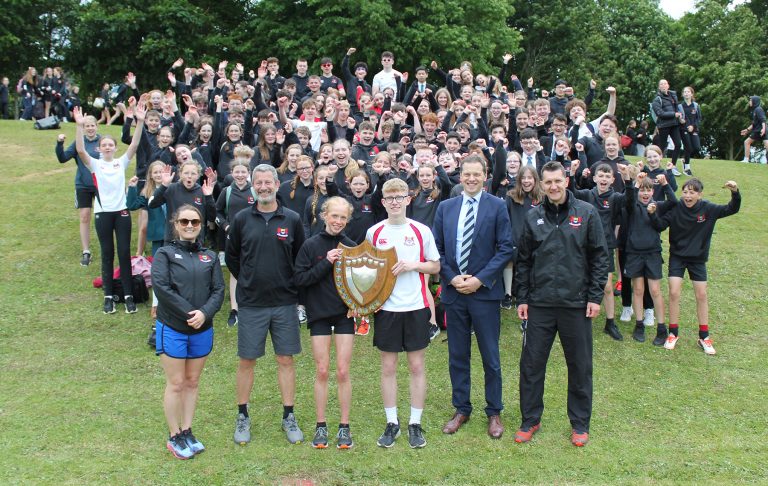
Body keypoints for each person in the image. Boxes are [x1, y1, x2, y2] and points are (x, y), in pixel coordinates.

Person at [515, 161, 609, 448]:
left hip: (576, 305)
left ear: (566, 181)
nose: (553, 186)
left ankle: (580, 424)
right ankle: (530, 420)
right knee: (531, 366)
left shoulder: (587, 213)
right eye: (548, 182)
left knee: (579, 366)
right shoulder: (533, 217)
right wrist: (522, 297)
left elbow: (600, 258)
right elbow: (523, 261)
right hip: (540, 304)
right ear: (542, 184)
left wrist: (594, 296)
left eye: (558, 181)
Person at [432, 155, 515, 440]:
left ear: (485, 176)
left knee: (490, 356)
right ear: (460, 176)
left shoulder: (498, 206)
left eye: (476, 174)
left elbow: (505, 248)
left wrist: (480, 279)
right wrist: (452, 277)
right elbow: (437, 249)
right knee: (458, 354)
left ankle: (494, 411)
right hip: (455, 293)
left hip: (485, 294)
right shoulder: (446, 207)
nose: (471, 179)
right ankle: (461, 408)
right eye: (466, 174)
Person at [226, 164, 306, 446]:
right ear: (252, 185)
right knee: (247, 360)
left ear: (276, 184)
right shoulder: (241, 220)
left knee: (285, 359)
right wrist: (248, 281)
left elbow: (300, 260)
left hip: (284, 302)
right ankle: (243, 415)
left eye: (267, 182)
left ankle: (288, 416)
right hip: (251, 304)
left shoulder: (293, 219)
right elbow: (232, 257)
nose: (263, 186)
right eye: (258, 182)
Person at [366, 178, 440, 449]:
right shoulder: (374, 232)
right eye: (390, 198)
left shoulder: (421, 231)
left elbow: (434, 266)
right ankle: (392, 422)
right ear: (383, 202)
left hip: (416, 307)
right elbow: (367, 270)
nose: (395, 202)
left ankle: (415, 423)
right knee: (388, 367)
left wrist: (413, 265)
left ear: (408, 200)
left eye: (400, 197)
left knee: (416, 366)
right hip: (386, 309)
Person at [152, 204, 225, 459]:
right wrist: (189, 313)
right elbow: (162, 288)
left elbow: (218, 290)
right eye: (184, 222)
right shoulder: (165, 253)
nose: (190, 226)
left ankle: (187, 430)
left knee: (192, 382)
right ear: (176, 224)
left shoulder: (210, 256)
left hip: (202, 329)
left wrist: (204, 313)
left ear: (201, 225)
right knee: (176, 383)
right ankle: (174, 436)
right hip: (173, 327)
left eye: (194, 222)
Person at [649, 178, 741, 355]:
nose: (688, 195)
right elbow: (660, 226)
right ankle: (673, 334)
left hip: (698, 259)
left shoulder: (708, 209)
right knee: (674, 292)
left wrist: (735, 192)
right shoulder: (676, 208)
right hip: (677, 257)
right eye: (685, 192)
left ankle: (704, 337)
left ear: (699, 194)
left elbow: (732, 208)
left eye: (692, 192)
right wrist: (653, 214)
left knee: (701, 294)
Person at [293, 197, 357, 449]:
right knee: (322, 370)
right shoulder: (311, 245)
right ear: (324, 216)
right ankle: (321, 426)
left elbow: (360, 282)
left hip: (344, 315)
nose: (338, 221)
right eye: (334, 216)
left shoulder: (352, 247)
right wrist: (326, 262)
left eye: (343, 217)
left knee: (342, 370)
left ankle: (344, 427)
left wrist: (358, 304)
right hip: (318, 313)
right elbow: (300, 279)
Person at [73, 104, 145, 314]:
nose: (106, 147)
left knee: (124, 253)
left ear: (114, 148)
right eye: (103, 145)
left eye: (110, 145)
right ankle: (108, 297)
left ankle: (129, 296)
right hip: (102, 213)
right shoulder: (95, 164)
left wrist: (139, 121)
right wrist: (79, 126)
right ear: (99, 148)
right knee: (107, 254)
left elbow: (135, 143)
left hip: (121, 212)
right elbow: (79, 150)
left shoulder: (120, 163)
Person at [622, 172, 676, 345]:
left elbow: (674, 202)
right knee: (637, 290)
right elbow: (628, 198)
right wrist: (635, 183)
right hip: (634, 253)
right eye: (643, 190)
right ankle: (639, 324)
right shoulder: (633, 205)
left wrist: (665, 184)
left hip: (652, 253)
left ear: (653, 191)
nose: (645, 193)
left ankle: (661, 328)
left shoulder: (657, 206)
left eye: (649, 190)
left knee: (654, 291)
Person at [56, 116, 101, 265]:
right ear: (83, 127)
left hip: (101, 186)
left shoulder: (102, 142)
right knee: (85, 216)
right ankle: (86, 251)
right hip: (83, 185)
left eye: (92, 125)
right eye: (86, 126)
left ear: (97, 126)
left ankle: (107, 247)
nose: (90, 128)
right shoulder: (78, 142)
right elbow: (62, 158)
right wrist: (59, 143)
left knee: (104, 216)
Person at [651, 79, 684, 175]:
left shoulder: (673, 96)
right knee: (661, 147)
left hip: (674, 124)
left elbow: (676, 109)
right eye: (661, 84)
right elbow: (660, 113)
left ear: (668, 85)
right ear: (659, 87)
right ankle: (656, 167)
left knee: (678, 144)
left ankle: (673, 166)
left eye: (665, 83)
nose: (663, 85)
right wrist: (674, 114)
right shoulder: (657, 100)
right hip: (664, 126)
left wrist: (680, 117)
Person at [740, 96, 768, 163]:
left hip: (759, 131)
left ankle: (746, 159)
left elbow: (763, 120)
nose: (749, 102)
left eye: (750, 100)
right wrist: (746, 130)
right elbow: (754, 124)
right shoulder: (755, 110)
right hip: (761, 130)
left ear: (754, 101)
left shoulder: (758, 109)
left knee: (746, 142)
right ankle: (746, 159)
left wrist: (763, 129)